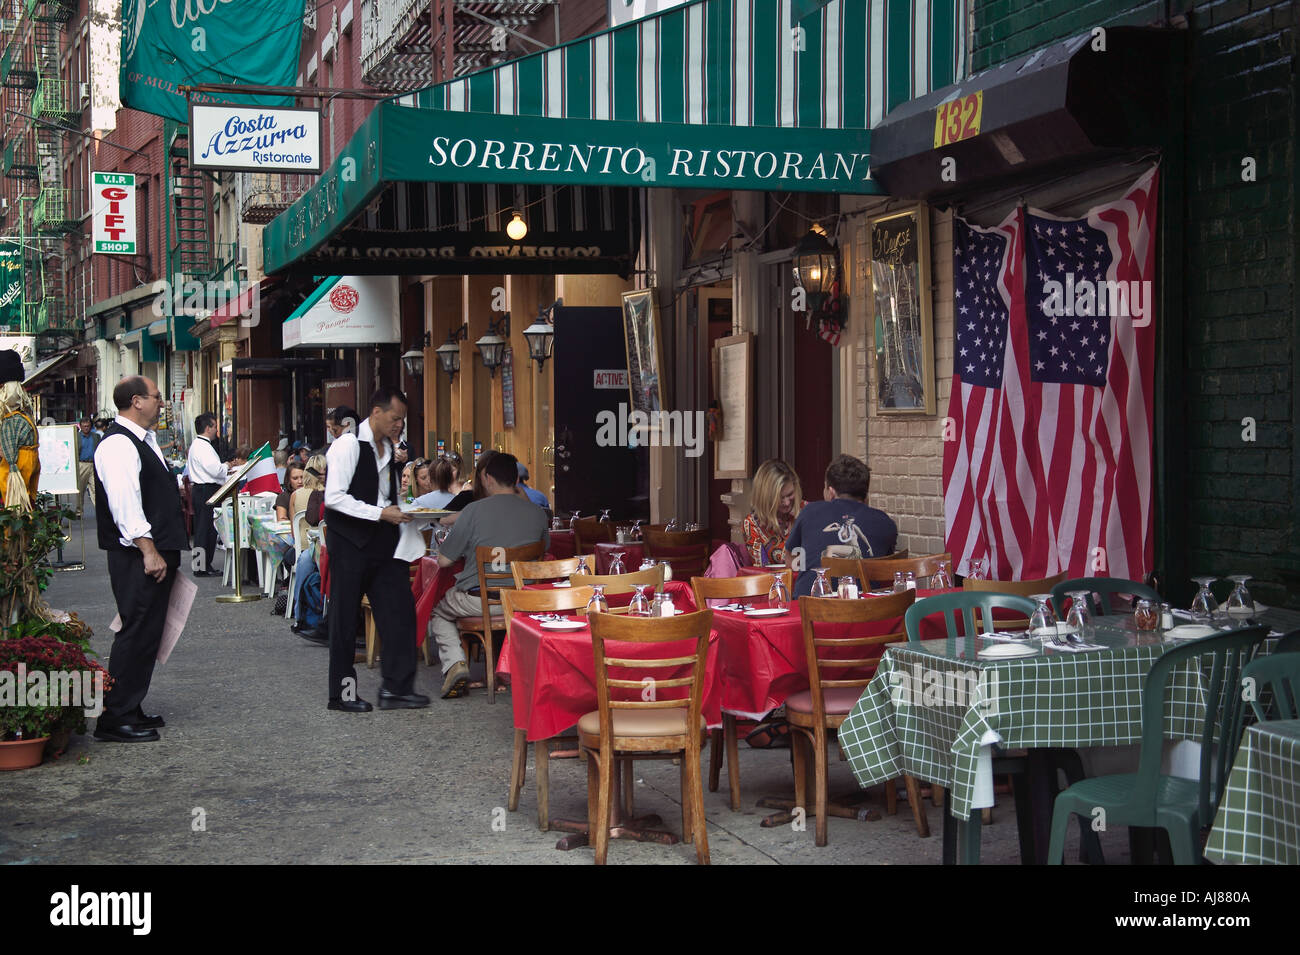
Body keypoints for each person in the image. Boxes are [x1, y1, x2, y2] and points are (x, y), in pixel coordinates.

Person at [92, 376, 185, 743]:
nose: (161, 403)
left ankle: (130, 705)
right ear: (137, 401)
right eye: (157, 397)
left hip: (154, 551)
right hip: (137, 556)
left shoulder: (143, 440)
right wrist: (148, 551)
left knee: (149, 633)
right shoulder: (118, 443)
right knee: (135, 630)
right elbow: (125, 504)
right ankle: (115, 717)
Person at [323, 386, 427, 712]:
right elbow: (334, 497)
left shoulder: (390, 449)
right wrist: (380, 512)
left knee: (400, 611)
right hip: (350, 542)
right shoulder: (348, 445)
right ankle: (342, 694)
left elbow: (385, 495)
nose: (400, 426)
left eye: (403, 421)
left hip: (384, 542)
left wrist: (409, 509)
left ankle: (396, 688)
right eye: (396, 419)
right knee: (344, 619)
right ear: (377, 412)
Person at [430, 451, 548, 699]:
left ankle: (455, 664)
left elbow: (444, 560)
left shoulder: (473, 511)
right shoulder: (537, 514)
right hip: (523, 602)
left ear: (486, 478)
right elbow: (544, 552)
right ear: (516, 478)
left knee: (438, 610)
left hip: (480, 601)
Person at [785, 454, 897, 599]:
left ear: (831, 493)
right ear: (866, 496)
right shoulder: (885, 523)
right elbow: (885, 570)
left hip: (811, 612)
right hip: (866, 613)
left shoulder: (810, 511)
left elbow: (791, 561)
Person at [186, 412, 225, 578]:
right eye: (215, 426)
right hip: (205, 489)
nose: (217, 430)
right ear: (208, 428)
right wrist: (226, 466)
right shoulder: (203, 446)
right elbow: (214, 469)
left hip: (203, 489)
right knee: (205, 529)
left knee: (206, 529)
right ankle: (201, 566)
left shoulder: (199, 445)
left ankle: (203, 565)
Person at [742, 459, 802, 565]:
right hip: (774, 580)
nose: (787, 503)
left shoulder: (807, 511)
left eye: (790, 494)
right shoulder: (753, 524)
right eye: (780, 498)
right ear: (765, 498)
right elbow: (762, 571)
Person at [0, 380, 39, 508]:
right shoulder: (24, 416)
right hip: (29, 460)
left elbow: (8, 452)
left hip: (17, 464)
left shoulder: (12, 420)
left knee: (15, 506)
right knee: (27, 503)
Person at [75, 419, 101, 517]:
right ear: (80, 427)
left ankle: (99, 511)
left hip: (93, 464)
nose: (86, 428)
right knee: (80, 489)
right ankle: (79, 511)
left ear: (91, 426)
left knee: (95, 489)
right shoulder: (77, 437)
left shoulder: (96, 437)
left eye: (88, 426)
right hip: (81, 464)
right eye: (84, 426)